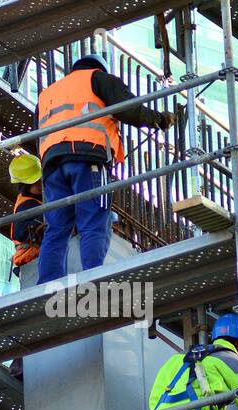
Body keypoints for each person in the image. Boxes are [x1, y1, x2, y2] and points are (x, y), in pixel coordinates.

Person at [36, 53, 180, 285]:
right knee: (93, 219)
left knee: (56, 227)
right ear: (98, 68)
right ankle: (93, 277)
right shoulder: (99, 79)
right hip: (88, 156)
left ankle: (47, 283)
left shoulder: (47, 93)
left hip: (52, 164)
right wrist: (160, 120)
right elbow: (128, 109)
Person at [8, 154, 44, 275]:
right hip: (32, 262)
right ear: (26, 185)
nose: (41, 184)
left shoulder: (34, 198)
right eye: (37, 182)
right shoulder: (26, 206)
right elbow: (21, 233)